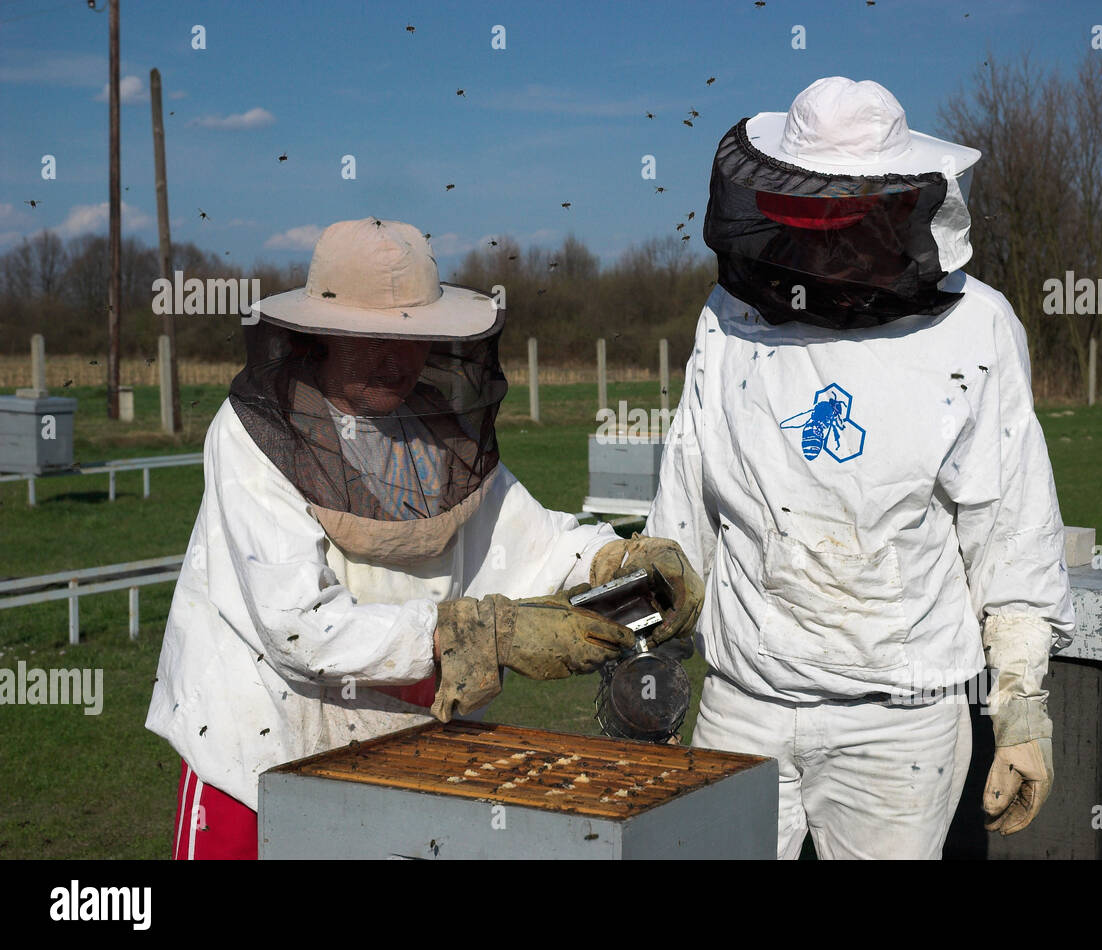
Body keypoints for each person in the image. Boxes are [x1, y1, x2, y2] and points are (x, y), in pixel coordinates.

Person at [146, 217, 701, 859]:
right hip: (263, 747)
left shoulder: (433, 434)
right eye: (372, 338)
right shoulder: (253, 436)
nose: (397, 358)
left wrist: (617, 560)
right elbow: (298, 626)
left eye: (414, 339)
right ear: (322, 335)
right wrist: (465, 637)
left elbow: (536, 545)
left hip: (407, 744)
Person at [644, 78, 1076, 859]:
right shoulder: (729, 317)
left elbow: (1011, 531)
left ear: (897, 204)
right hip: (745, 702)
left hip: (900, 717)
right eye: (801, 215)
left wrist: (1021, 708)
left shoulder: (975, 329)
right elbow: (684, 511)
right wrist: (653, 660)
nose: (819, 238)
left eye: (839, 214)